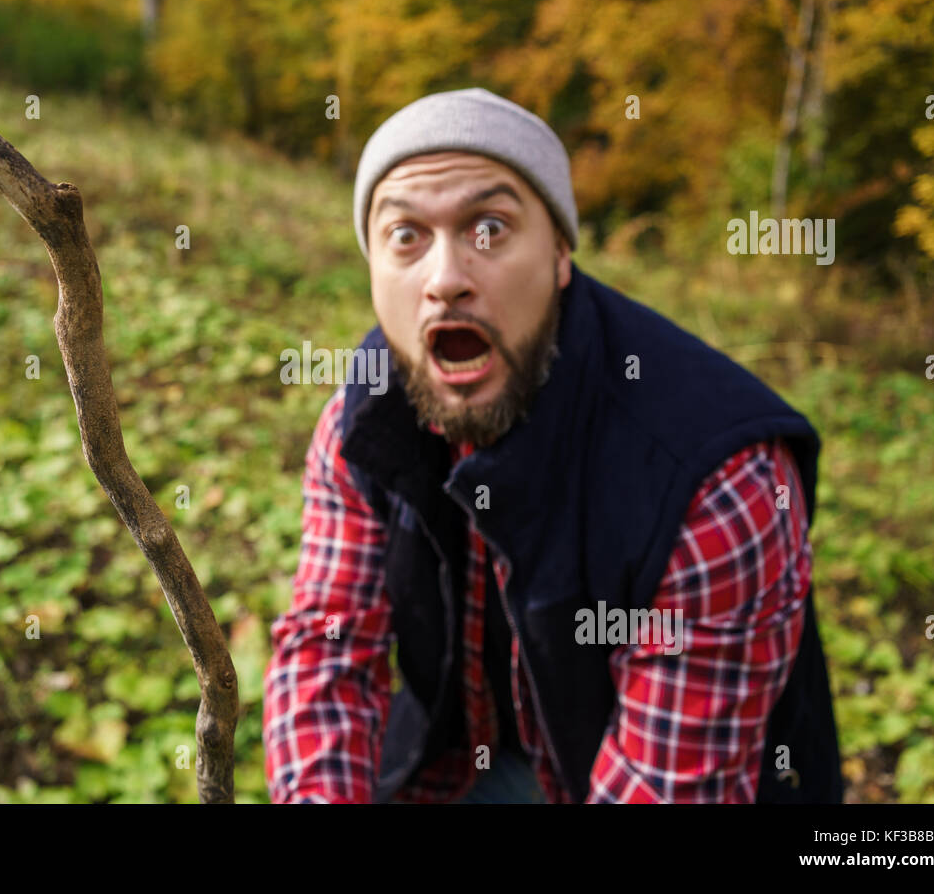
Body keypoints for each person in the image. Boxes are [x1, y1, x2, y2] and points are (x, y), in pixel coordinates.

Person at [262, 88, 843, 803]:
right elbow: (329, 649)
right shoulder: (362, 426)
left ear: (561, 252)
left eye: (490, 227)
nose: (445, 279)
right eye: (406, 235)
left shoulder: (713, 479)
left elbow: (665, 789)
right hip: (466, 762)